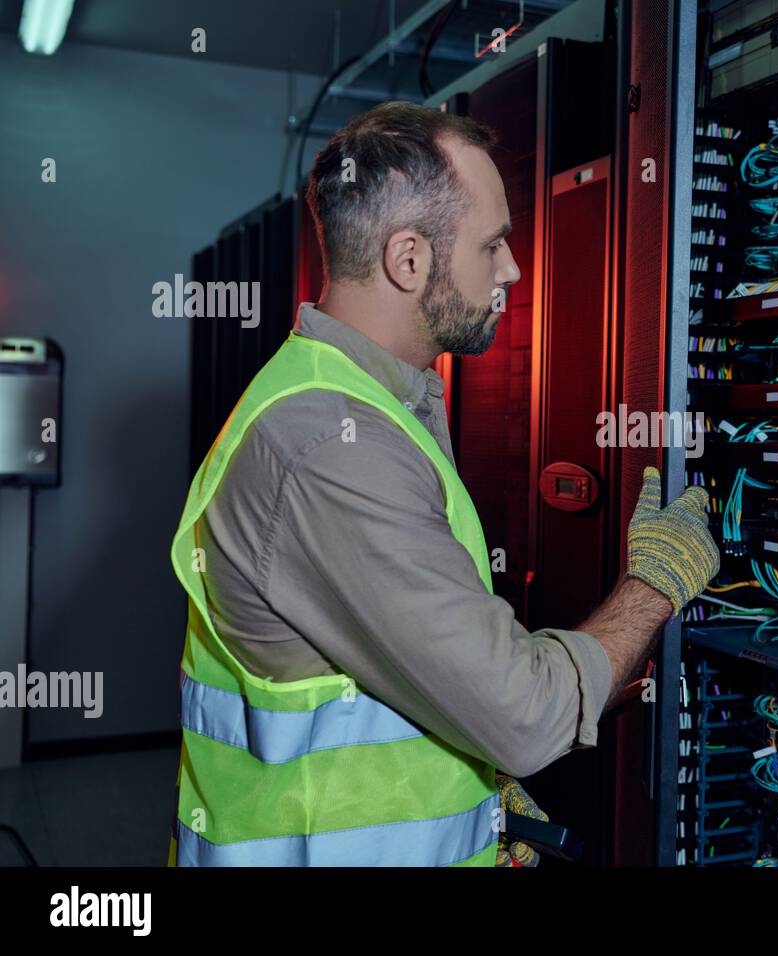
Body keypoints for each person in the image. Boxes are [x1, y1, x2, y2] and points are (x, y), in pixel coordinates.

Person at [166, 102, 718, 867]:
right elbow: (522, 715)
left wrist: (473, 796)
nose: (512, 269)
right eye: (492, 244)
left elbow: (391, 669)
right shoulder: (332, 447)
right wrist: (656, 581)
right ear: (410, 259)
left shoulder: (365, 404)